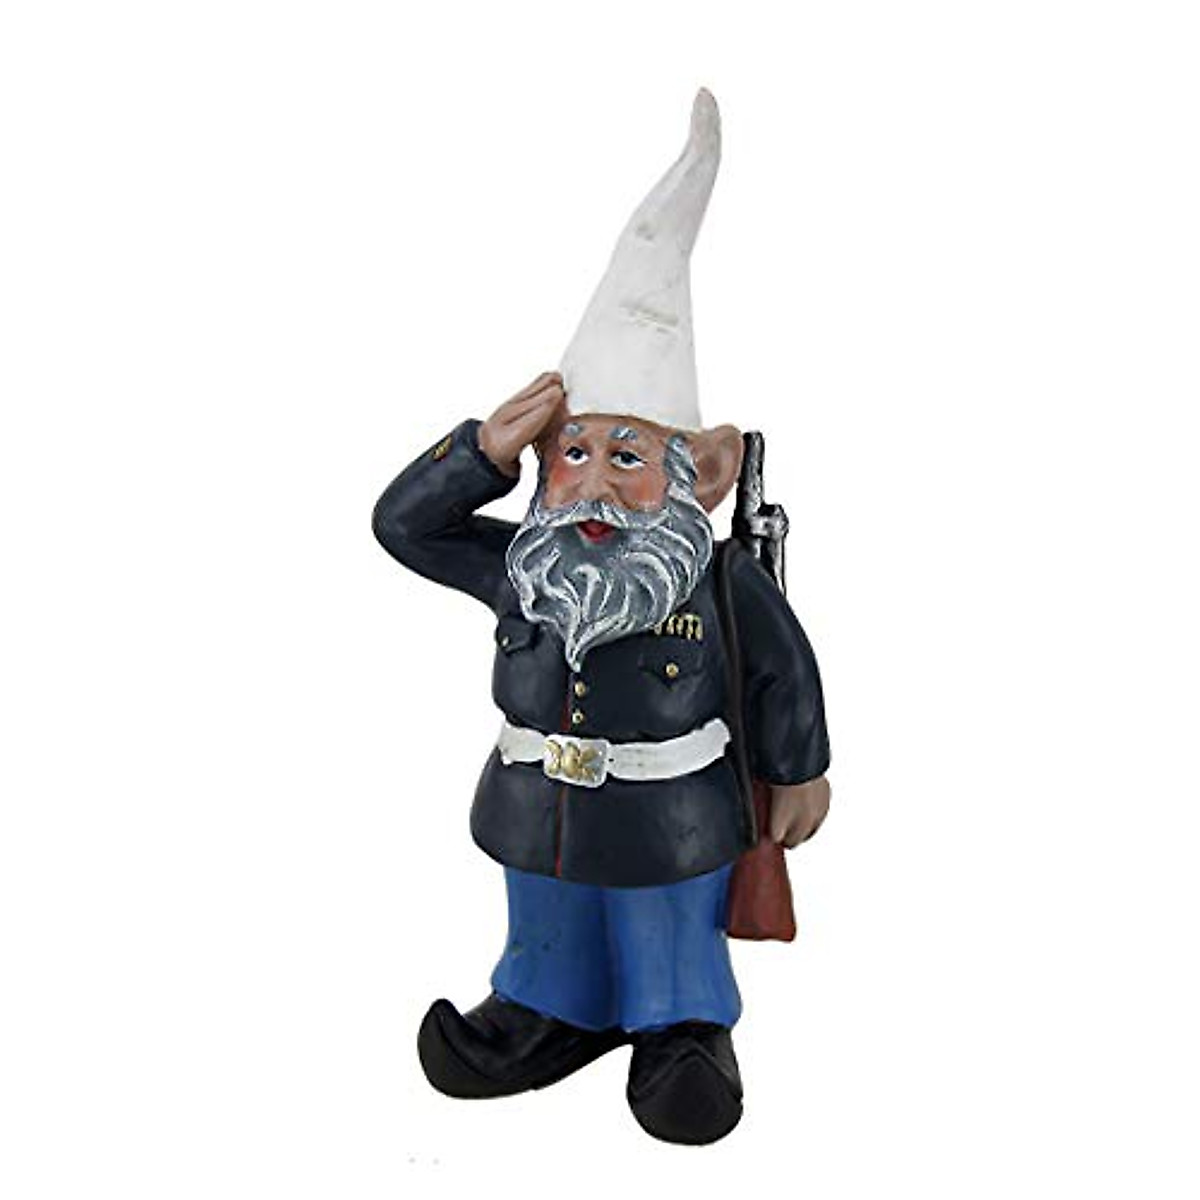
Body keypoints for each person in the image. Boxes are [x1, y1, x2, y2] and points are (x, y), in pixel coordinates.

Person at [372, 92, 831, 1145]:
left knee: (666, 927)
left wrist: (799, 770)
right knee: (546, 917)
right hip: (533, 805)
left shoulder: (716, 581)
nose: (591, 482)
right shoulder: (525, 569)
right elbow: (402, 528)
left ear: (700, 473)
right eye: (572, 454)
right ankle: (547, 1008)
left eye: (626, 457)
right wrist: (479, 453)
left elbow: (784, 671)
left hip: (673, 817)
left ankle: (680, 1030)